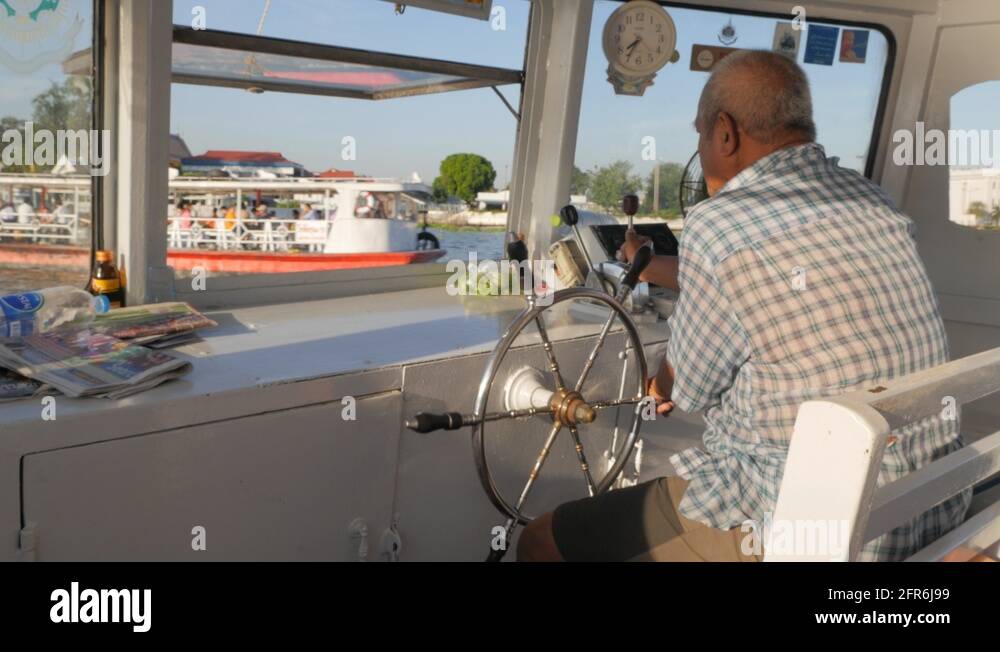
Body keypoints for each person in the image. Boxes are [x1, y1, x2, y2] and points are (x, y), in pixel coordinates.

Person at [516, 50, 969, 563]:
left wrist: (659, 384)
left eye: (701, 135)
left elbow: (688, 389)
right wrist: (648, 268)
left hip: (807, 520)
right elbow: (771, 278)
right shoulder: (870, 200)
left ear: (725, 133)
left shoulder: (720, 222)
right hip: (928, 497)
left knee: (542, 540)